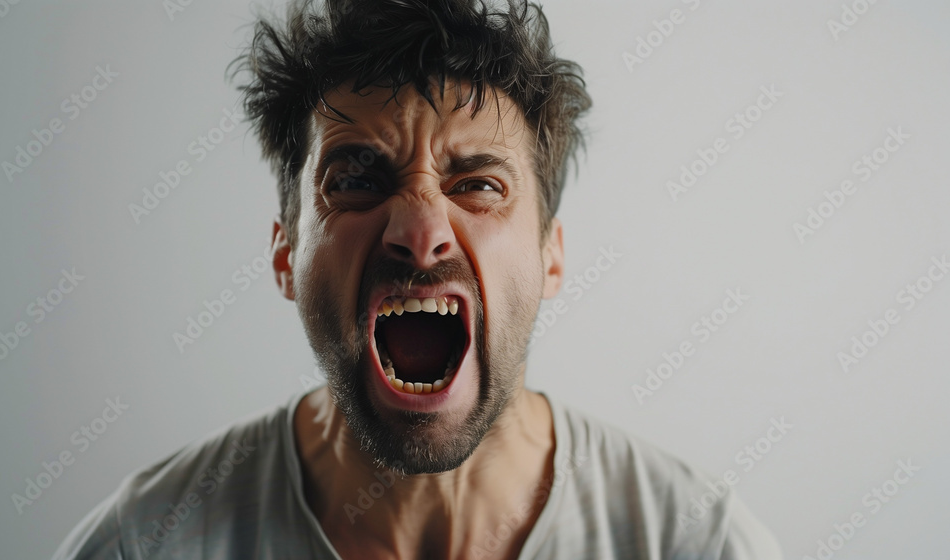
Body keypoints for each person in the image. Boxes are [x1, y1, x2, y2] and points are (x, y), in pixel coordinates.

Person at [53, 0, 782, 558]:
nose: (419, 233)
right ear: (285, 256)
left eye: (479, 185)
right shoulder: (146, 542)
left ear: (551, 256)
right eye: (357, 179)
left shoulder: (695, 543)